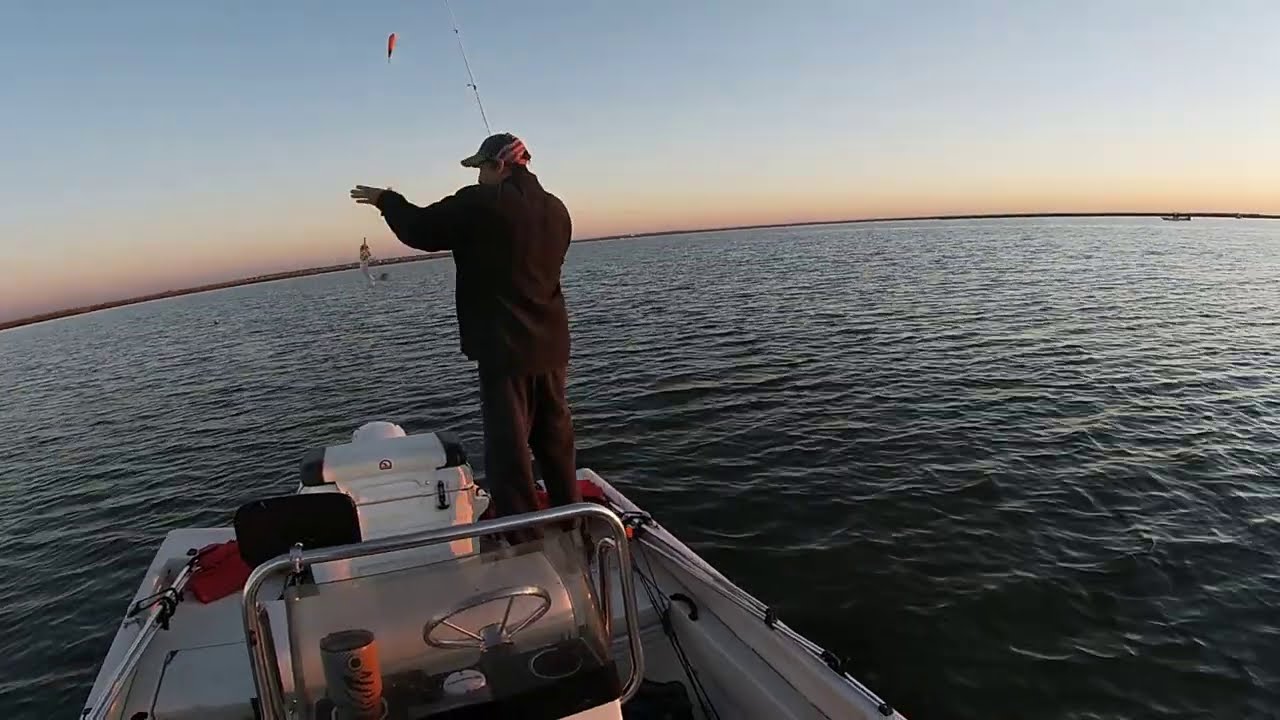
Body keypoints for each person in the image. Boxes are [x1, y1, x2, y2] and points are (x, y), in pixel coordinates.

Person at [350, 133, 581, 529]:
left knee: (509, 451)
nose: (477, 178)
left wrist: (387, 200)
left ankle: (522, 535)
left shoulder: (479, 203)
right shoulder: (558, 210)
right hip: (552, 346)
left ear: (500, 166)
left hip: (505, 351)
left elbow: (420, 229)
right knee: (555, 440)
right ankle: (572, 519)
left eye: (480, 169)